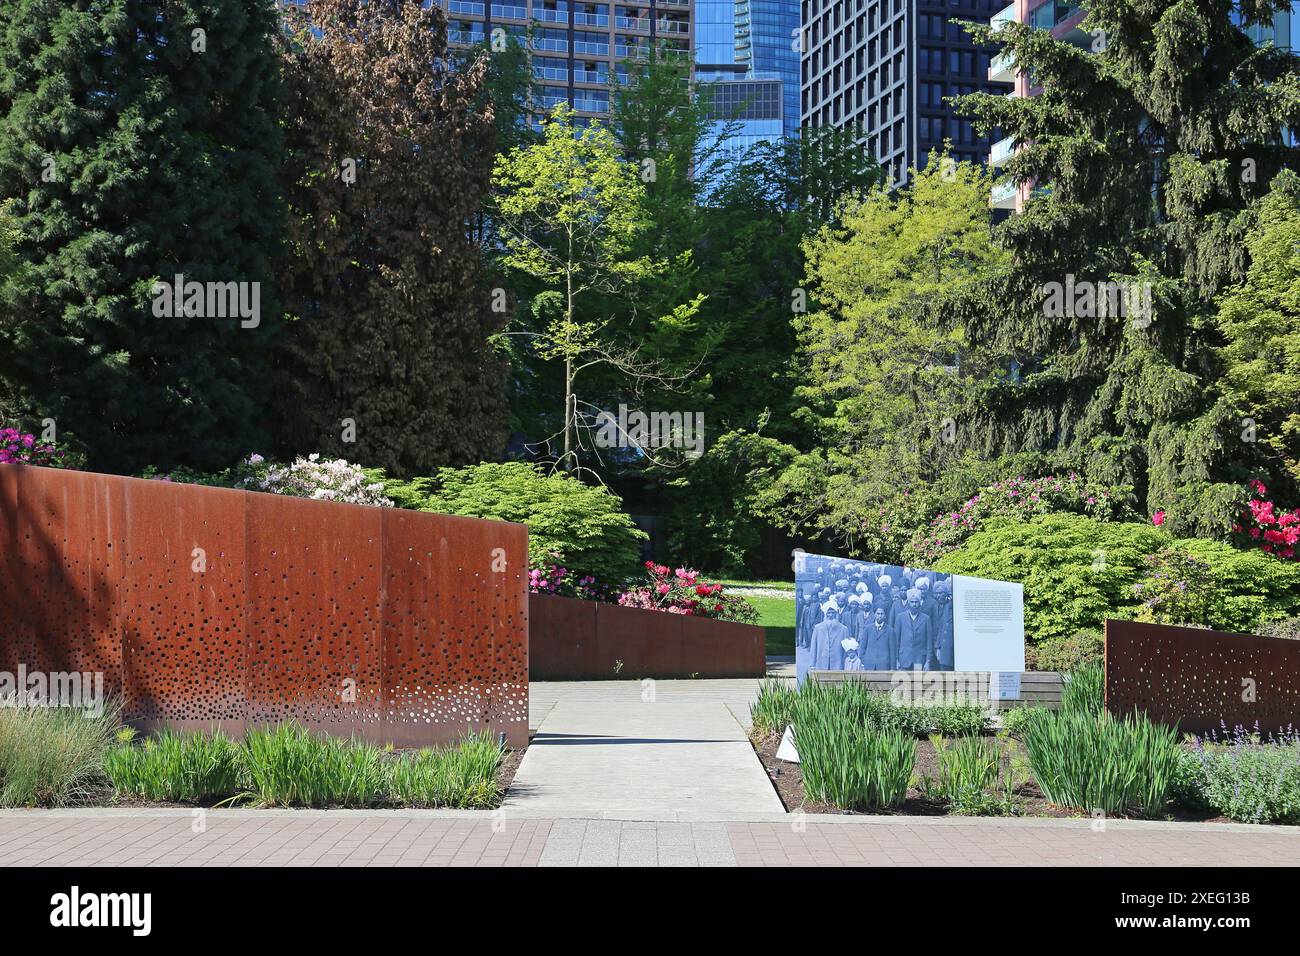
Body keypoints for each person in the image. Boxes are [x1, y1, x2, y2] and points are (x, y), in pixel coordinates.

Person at [895, 588, 934, 670]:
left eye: (916, 602)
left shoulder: (926, 619)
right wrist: (896, 660)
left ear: (919, 603)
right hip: (904, 658)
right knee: (904, 682)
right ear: (909, 603)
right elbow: (896, 641)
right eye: (912, 602)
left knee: (918, 682)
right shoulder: (900, 617)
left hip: (919, 659)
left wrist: (928, 661)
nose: (914, 604)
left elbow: (929, 642)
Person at [810, 601, 850, 672]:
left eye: (833, 613)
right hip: (821, 663)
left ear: (836, 614)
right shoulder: (818, 628)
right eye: (828, 613)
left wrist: (846, 665)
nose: (831, 615)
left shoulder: (844, 629)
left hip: (838, 664)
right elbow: (814, 647)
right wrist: (812, 664)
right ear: (825, 614)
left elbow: (846, 651)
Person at [860, 604, 895, 670]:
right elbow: (862, 648)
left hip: (884, 665)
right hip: (869, 664)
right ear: (875, 615)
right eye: (878, 614)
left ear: (885, 616)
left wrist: (892, 668)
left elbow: (892, 651)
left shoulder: (890, 630)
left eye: (882, 614)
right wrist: (865, 660)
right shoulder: (868, 629)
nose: (880, 616)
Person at [932, 577, 955, 670]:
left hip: (948, 648)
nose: (938, 596)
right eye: (936, 593)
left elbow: (944, 629)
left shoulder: (949, 606)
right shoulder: (936, 606)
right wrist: (937, 647)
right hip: (939, 646)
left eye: (941, 593)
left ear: (946, 594)